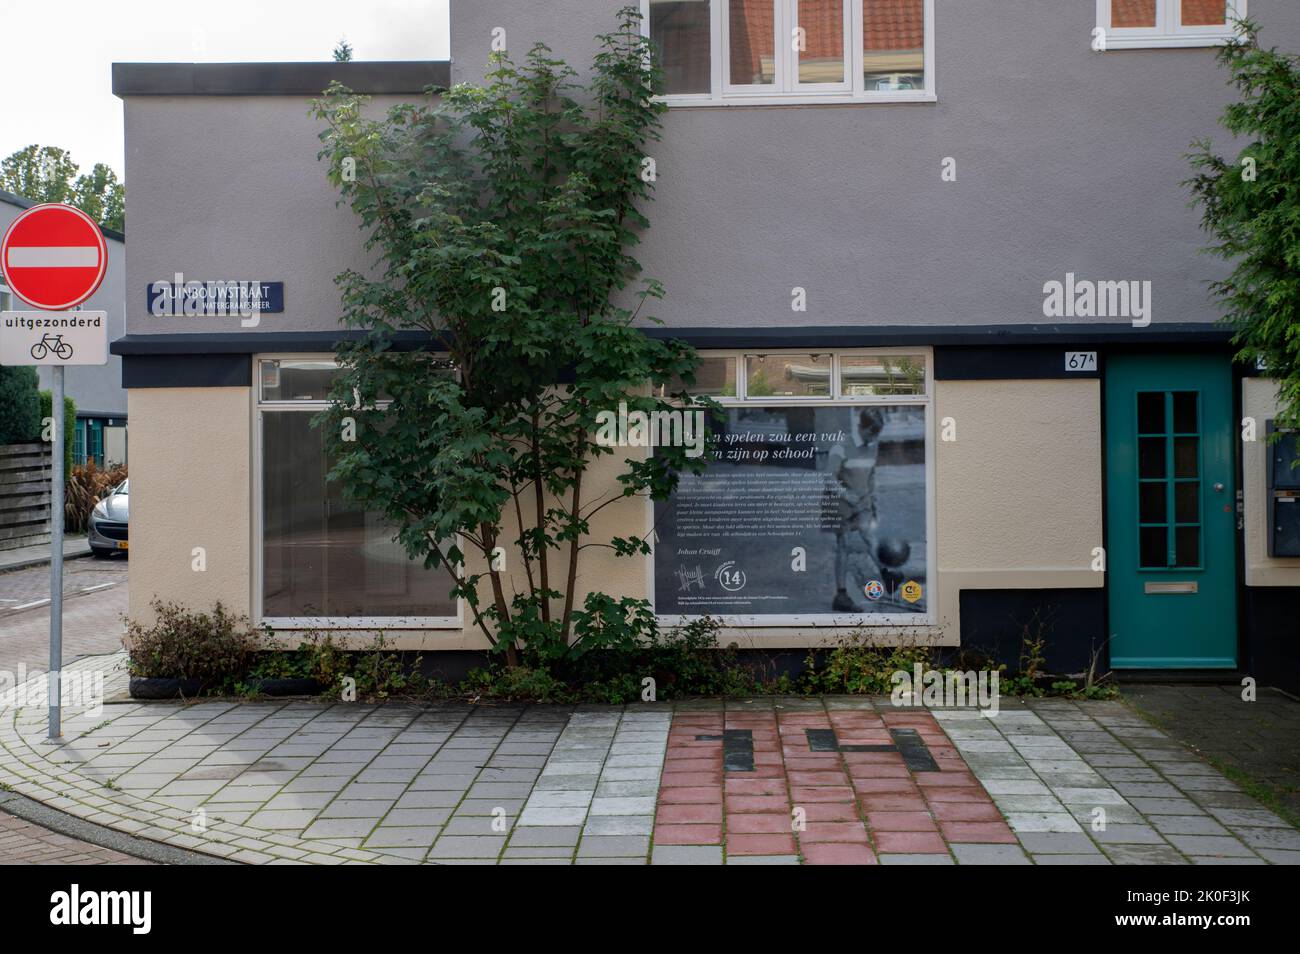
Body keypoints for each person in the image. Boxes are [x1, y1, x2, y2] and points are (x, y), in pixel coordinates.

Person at [829, 408, 885, 612]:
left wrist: (874, 501)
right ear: (861, 427)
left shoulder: (873, 445)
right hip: (841, 503)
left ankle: (886, 573)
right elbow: (829, 480)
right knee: (843, 545)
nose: (874, 437)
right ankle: (841, 595)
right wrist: (846, 496)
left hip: (863, 502)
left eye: (878, 433)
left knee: (869, 537)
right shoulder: (840, 447)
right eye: (872, 432)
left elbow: (871, 475)